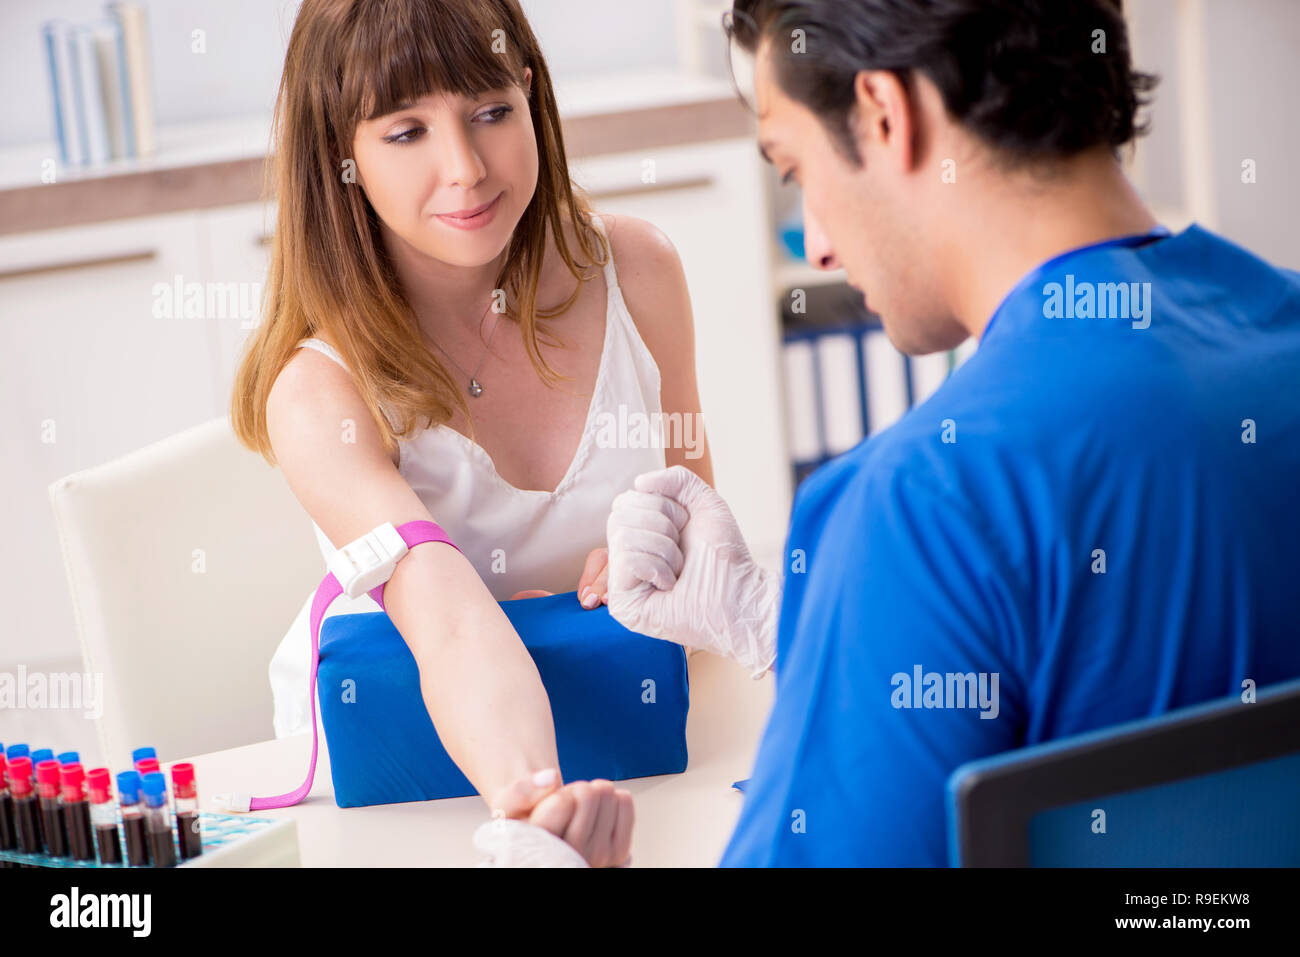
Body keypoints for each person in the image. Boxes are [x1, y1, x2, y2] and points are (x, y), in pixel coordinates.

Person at [601, 0, 1300, 865]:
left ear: (887, 117)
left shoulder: (921, 507)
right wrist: (798, 636)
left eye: (796, 169)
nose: (817, 244)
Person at [230, 0, 714, 867]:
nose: (465, 168)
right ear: (342, 154)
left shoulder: (638, 271)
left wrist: (672, 560)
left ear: (531, 95)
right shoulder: (317, 392)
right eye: (406, 132)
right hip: (412, 791)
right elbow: (449, 622)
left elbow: (702, 537)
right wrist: (530, 806)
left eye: (491, 112)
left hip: (630, 741)